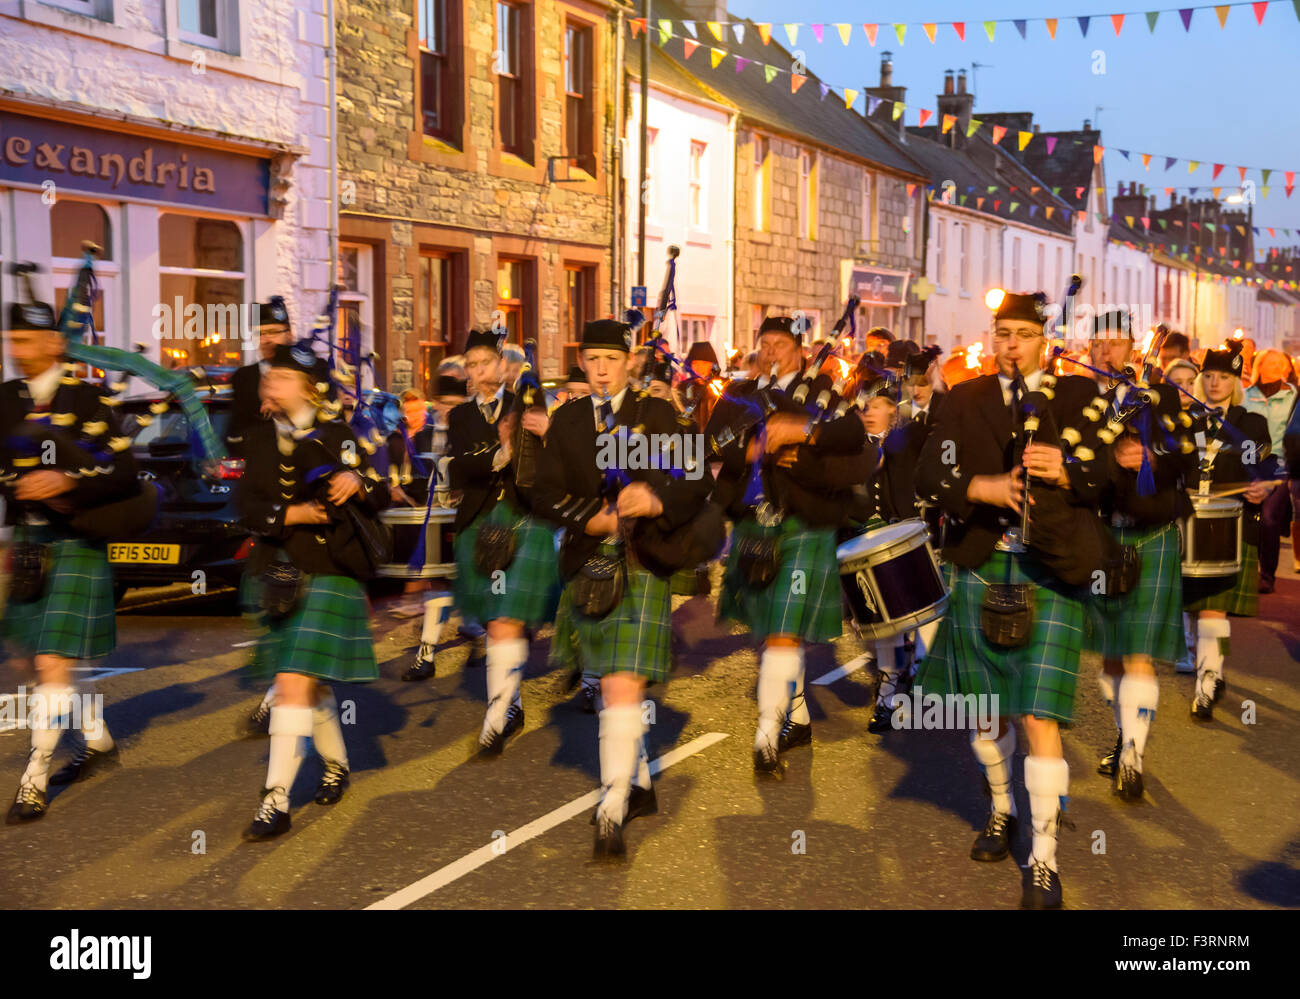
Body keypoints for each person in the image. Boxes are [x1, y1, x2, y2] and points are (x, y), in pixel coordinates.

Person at [916, 290, 1111, 908]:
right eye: (1002, 333)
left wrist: (1066, 472)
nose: (1011, 345)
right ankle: (1002, 809)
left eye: (1023, 334)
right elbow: (928, 473)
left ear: (1042, 340)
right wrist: (982, 485)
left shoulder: (1079, 398)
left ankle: (1044, 858)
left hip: (1049, 569)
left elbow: (1109, 471)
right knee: (984, 710)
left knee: (1037, 716)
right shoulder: (965, 399)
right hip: (982, 563)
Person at [534, 318, 714, 858]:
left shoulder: (657, 413)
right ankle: (635, 783)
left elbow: (698, 475)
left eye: (611, 359)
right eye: (591, 360)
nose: (601, 369)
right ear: (583, 363)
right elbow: (543, 490)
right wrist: (590, 518)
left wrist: (658, 499)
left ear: (630, 360)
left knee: (620, 683)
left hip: (641, 559)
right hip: (589, 560)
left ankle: (612, 802)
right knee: (615, 683)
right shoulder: (566, 419)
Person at [236, 341, 390, 839]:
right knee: (307, 682)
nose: (269, 384)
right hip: (277, 569)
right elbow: (246, 506)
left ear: (307, 387)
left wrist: (357, 481)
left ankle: (275, 800)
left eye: (280, 378)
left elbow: (380, 489)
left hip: (328, 570)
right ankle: (337, 765)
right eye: (268, 377)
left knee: (292, 682)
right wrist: (289, 515)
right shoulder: (259, 438)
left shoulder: (338, 433)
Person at [709, 315, 872, 773]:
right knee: (772, 631)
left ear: (800, 350)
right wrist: (755, 448)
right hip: (755, 521)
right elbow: (713, 441)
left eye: (781, 343)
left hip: (804, 523)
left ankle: (766, 733)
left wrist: (804, 432)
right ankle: (796, 717)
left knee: (782, 630)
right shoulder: (741, 394)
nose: (772, 351)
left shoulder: (821, 394)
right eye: (765, 343)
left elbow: (853, 435)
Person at [1, 298, 143, 822]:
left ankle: (33, 778)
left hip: (77, 541)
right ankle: (97, 740)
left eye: (25, 341)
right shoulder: (5, 400)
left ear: (53, 344)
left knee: (49, 663)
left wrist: (66, 481)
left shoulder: (87, 401)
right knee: (34, 663)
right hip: (28, 545)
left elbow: (125, 473)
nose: (16, 351)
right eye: (12, 341)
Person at [1085, 311, 1192, 804]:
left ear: (1132, 349)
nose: (1106, 352)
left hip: (1152, 534)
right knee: (1110, 655)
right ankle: (1122, 731)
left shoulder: (1164, 397)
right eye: (1098, 343)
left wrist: (1150, 455)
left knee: (1138, 653)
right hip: (1102, 535)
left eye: (1115, 343)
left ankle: (1133, 752)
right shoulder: (1084, 405)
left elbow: (1188, 455)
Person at [443, 329, 559, 750]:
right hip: (480, 522)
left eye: (483, 363)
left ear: (501, 364)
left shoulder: (525, 401)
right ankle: (509, 706)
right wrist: (501, 451)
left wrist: (543, 435)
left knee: (505, 619)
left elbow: (552, 459)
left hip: (523, 519)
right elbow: (457, 468)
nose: (476, 372)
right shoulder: (459, 417)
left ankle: (498, 712)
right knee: (498, 619)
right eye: (469, 366)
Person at [1183, 342, 1277, 720]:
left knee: (1211, 609)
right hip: (1187, 520)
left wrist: (1261, 486)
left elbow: (1266, 470)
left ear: (1236, 381)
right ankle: (1211, 667)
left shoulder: (1249, 422)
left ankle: (1205, 684)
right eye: (1209, 375)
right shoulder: (1185, 420)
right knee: (1195, 609)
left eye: (1223, 376)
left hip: (1230, 524)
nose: (1214, 382)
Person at [1242, 349, 1299, 591]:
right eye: (1271, 363)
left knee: (1268, 518)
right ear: (1260, 366)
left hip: (1279, 465)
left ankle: (1267, 575)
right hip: (1248, 464)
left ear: (1288, 370)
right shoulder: (1245, 395)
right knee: (1244, 519)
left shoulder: (1293, 397)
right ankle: (1243, 574)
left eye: (1281, 364)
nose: (1276, 367)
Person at [227, 297, 292, 457]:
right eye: (259, 333)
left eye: (273, 332)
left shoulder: (313, 370)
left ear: (289, 334)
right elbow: (235, 431)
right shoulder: (243, 378)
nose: (265, 340)